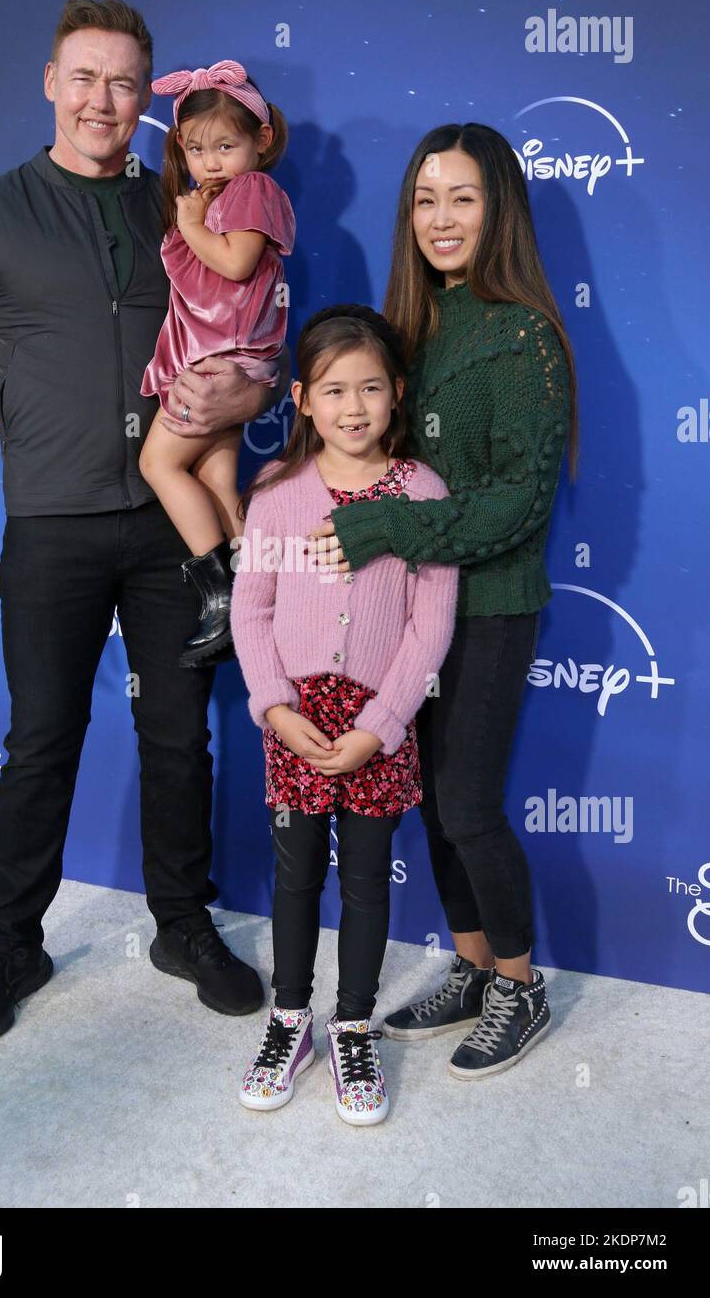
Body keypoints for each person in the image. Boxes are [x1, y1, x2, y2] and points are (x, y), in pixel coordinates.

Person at [0, 0, 289, 1048]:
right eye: (85, 77)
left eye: (125, 83)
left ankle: (182, 923)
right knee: (42, 740)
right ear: (48, 81)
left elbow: (253, 356)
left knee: (179, 739)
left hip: (173, 530)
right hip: (51, 525)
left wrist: (250, 404)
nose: (103, 101)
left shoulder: (185, 201)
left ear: (146, 98)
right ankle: (10, 941)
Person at [306, 124, 578, 1080]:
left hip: (492, 605)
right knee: (433, 807)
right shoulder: (415, 323)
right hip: (412, 612)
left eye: (461, 197)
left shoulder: (524, 333)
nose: (441, 218)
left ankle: (520, 984)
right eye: (425, 200)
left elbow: (517, 502)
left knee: (467, 806)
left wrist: (384, 532)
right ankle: (469, 967)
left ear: (498, 207)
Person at [230, 306, 459, 1124]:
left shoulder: (423, 494)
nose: (353, 406)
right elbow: (249, 612)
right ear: (302, 398)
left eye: (370, 388)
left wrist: (384, 723)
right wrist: (273, 708)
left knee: (365, 881)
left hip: (375, 726)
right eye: (334, 390)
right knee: (295, 878)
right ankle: (290, 1017)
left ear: (398, 394)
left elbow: (431, 623)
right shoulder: (276, 494)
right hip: (294, 719)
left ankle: (352, 1022)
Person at [139, 60, 295, 667]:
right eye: (198, 148)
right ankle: (263, 596)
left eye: (226, 146)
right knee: (215, 480)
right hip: (226, 360)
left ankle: (220, 597)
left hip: (218, 363)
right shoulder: (223, 192)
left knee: (157, 462)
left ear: (262, 140)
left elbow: (233, 264)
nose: (210, 162)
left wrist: (189, 222)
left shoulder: (251, 190)